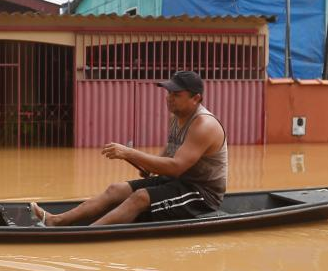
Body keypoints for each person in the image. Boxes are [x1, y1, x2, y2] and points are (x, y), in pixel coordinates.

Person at [31, 70, 227, 226]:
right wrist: (150, 167)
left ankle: (88, 234)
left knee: (140, 197)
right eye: (169, 93)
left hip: (201, 193)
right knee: (115, 190)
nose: (169, 98)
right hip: (177, 181)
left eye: (176, 94)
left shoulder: (203, 125)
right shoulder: (176, 117)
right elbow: (170, 149)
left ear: (196, 98)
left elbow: (176, 166)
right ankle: (55, 220)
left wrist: (129, 152)